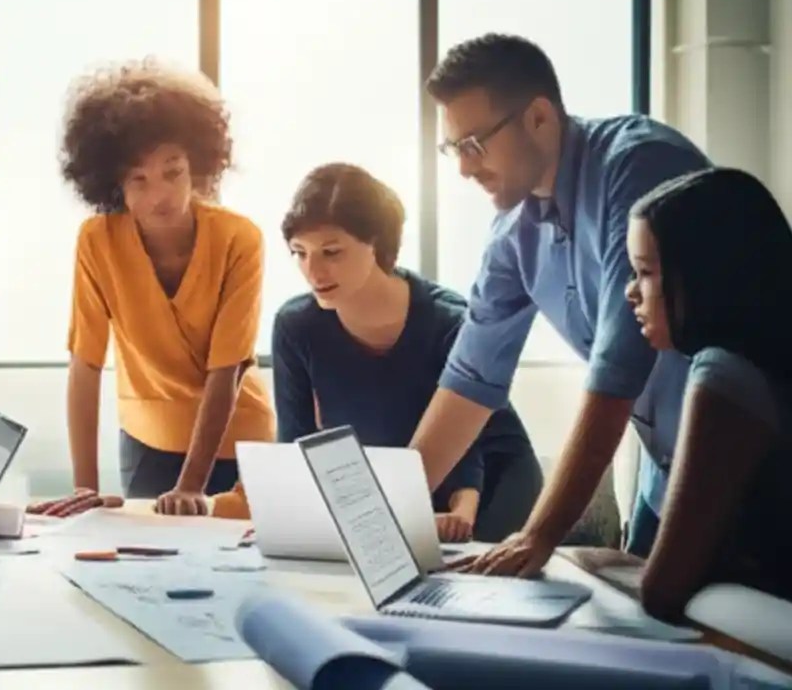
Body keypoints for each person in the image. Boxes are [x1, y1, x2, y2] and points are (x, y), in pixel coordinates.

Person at [408, 33, 711, 576]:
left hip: (745, 465)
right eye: (453, 149)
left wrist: (539, 534)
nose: (463, 169)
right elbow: (469, 383)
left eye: (474, 143)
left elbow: (620, 365)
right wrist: (384, 519)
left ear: (540, 118)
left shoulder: (638, 166)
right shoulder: (512, 233)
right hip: (665, 477)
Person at [29, 58, 276, 518]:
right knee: (143, 569)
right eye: (138, 179)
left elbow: (227, 371)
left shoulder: (240, 239)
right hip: (146, 440)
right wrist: (84, 489)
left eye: (173, 172)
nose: (158, 194)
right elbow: (84, 366)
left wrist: (190, 486)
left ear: (198, 166)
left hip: (235, 439)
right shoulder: (97, 240)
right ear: (112, 183)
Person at [270, 163, 540, 542]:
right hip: (393, 490)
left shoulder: (449, 321)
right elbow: (294, 444)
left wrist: (458, 511)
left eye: (331, 252)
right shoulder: (295, 326)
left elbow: (468, 442)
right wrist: (283, 521)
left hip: (486, 483)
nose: (313, 270)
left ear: (377, 244)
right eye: (299, 253)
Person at [624, 167, 792, 618]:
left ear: (702, 275)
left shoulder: (726, 375)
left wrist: (605, 568)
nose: (629, 293)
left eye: (644, 273)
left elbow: (662, 589)